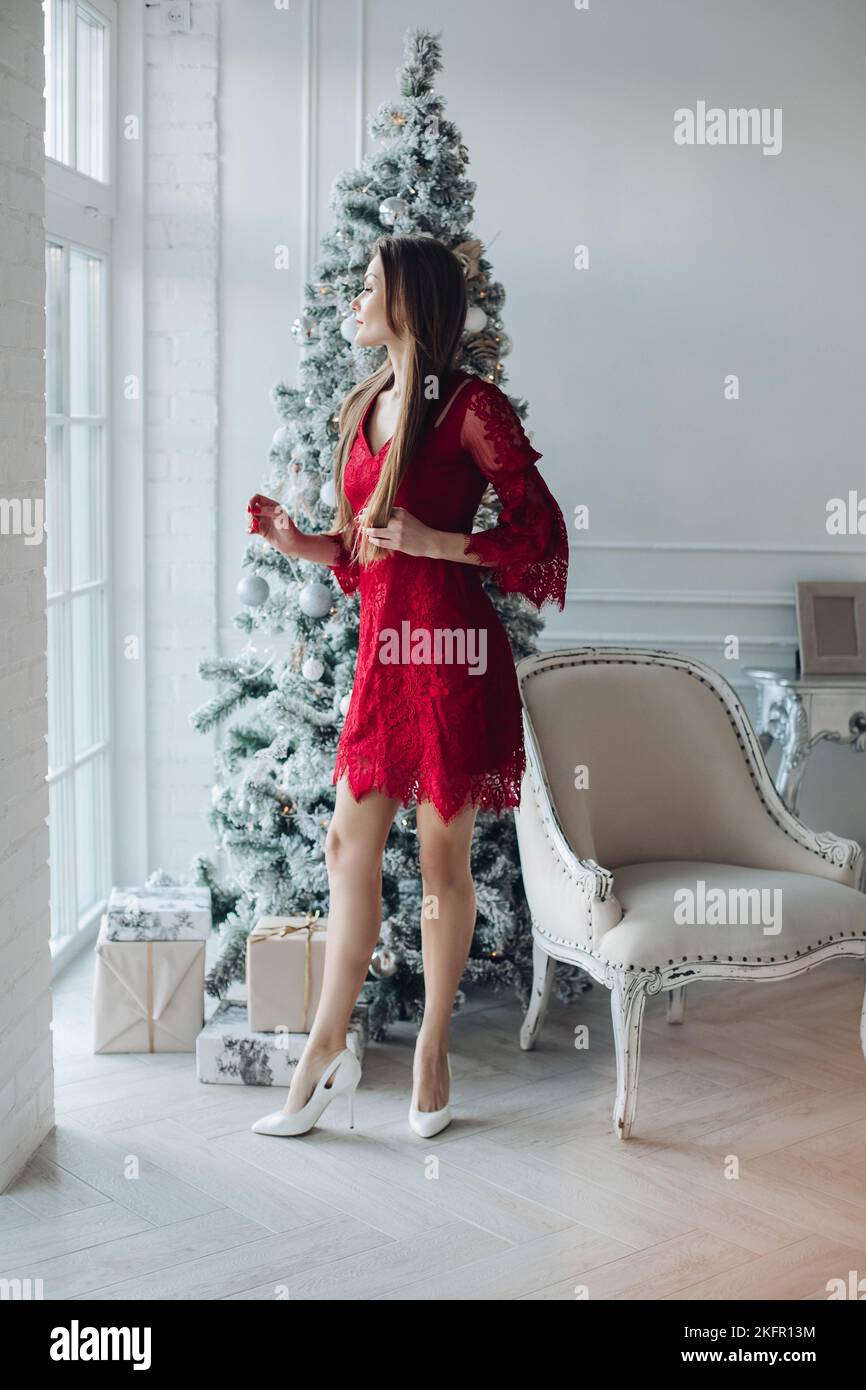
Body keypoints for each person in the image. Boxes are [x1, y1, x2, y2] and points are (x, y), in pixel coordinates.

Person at [246, 233, 568, 1138]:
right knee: (348, 848)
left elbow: (538, 535)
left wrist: (441, 543)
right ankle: (324, 1051)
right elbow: (362, 556)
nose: (354, 298)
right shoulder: (363, 404)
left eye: (369, 285)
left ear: (409, 301)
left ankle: (431, 1048)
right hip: (384, 664)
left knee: (439, 863)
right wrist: (299, 543)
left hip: (456, 658)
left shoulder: (472, 408)